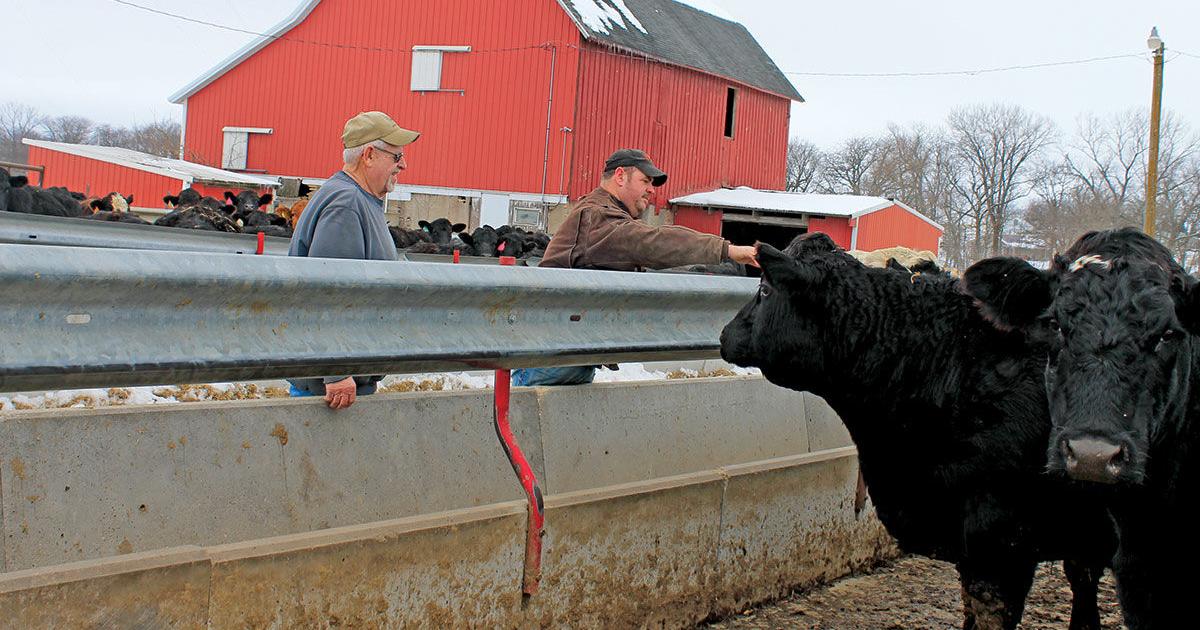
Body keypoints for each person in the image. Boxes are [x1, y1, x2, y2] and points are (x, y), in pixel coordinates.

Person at [513, 148, 758, 387]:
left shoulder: (607, 215)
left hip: (565, 356)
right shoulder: (597, 217)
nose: (651, 190)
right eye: (645, 181)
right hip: (546, 362)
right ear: (620, 176)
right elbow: (651, 242)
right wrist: (726, 250)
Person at [286, 111, 420, 409]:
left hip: (341, 380)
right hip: (330, 389)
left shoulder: (359, 199)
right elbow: (329, 291)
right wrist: (336, 371)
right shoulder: (346, 204)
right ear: (369, 155)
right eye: (396, 156)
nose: (403, 164)